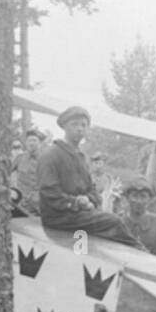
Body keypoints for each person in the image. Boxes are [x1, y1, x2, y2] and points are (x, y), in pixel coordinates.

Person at [37, 106, 143, 248]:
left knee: (110, 228)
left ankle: (137, 254)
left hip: (78, 214)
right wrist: (76, 202)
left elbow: (91, 190)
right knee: (113, 222)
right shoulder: (51, 155)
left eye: (84, 125)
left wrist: (88, 199)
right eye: (74, 124)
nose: (80, 128)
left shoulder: (81, 157)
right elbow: (48, 193)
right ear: (65, 127)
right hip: (59, 217)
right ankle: (141, 255)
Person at [12, 129, 44, 214]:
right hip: (21, 205)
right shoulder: (19, 158)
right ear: (26, 143)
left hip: (41, 206)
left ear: (40, 143)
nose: (31, 143)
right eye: (29, 140)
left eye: (34, 140)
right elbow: (5, 173)